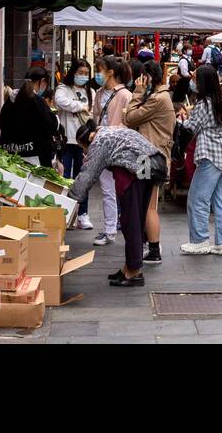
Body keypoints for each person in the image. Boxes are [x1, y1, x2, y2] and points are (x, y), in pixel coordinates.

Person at [71, 121, 162, 287]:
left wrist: (72, 199)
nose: (85, 152)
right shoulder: (109, 130)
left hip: (135, 169)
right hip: (146, 162)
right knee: (136, 218)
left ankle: (134, 272)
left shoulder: (100, 141)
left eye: (83, 147)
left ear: (88, 139)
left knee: (131, 221)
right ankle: (129, 267)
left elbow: (88, 174)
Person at [123, 59, 176, 266]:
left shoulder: (158, 99)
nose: (139, 81)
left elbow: (132, 117)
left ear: (148, 77)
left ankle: (154, 249)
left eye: (142, 77)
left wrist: (137, 92)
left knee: (148, 205)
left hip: (151, 157)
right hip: (153, 154)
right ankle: (149, 244)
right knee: (146, 203)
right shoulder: (159, 97)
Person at [179, 64, 222, 257]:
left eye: (195, 79)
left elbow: (190, 128)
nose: (193, 82)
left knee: (197, 199)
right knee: (220, 201)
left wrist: (182, 120)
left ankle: (200, 240)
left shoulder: (203, 105)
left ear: (202, 82)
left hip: (210, 156)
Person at [87, 56, 131, 247]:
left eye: (100, 70)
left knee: (122, 190)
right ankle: (109, 229)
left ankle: (127, 226)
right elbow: (95, 116)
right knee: (107, 190)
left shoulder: (124, 95)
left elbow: (128, 122)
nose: (97, 74)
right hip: (101, 146)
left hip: (118, 148)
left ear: (110, 72)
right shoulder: (98, 93)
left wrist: (107, 131)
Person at [53, 59, 94, 230]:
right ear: (74, 72)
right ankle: (66, 212)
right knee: (65, 178)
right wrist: (80, 107)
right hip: (67, 140)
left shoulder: (90, 91)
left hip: (83, 143)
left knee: (83, 178)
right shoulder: (63, 88)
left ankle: (83, 214)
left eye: (86, 73)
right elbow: (60, 101)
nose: (83, 76)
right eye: (81, 73)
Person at [0, 66, 57, 167]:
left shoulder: (10, 100)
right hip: (36, 158)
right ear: (42, 81)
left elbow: (1, 124)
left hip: (10, 156)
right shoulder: (38, 102)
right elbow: (52, 126)